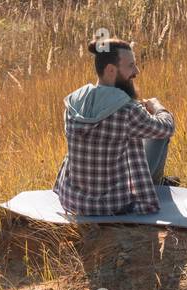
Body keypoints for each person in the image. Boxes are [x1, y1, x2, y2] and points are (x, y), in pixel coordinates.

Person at [54, 38, 175, 216]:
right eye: (131, 66)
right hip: (112, 204)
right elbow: (167, 127)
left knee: (129, 136)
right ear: (111, 70)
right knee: (159, 133)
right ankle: (154, 186)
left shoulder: (73, 102)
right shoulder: (127, 110)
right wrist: (157, 107)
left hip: (73, 200)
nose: (136, 71)